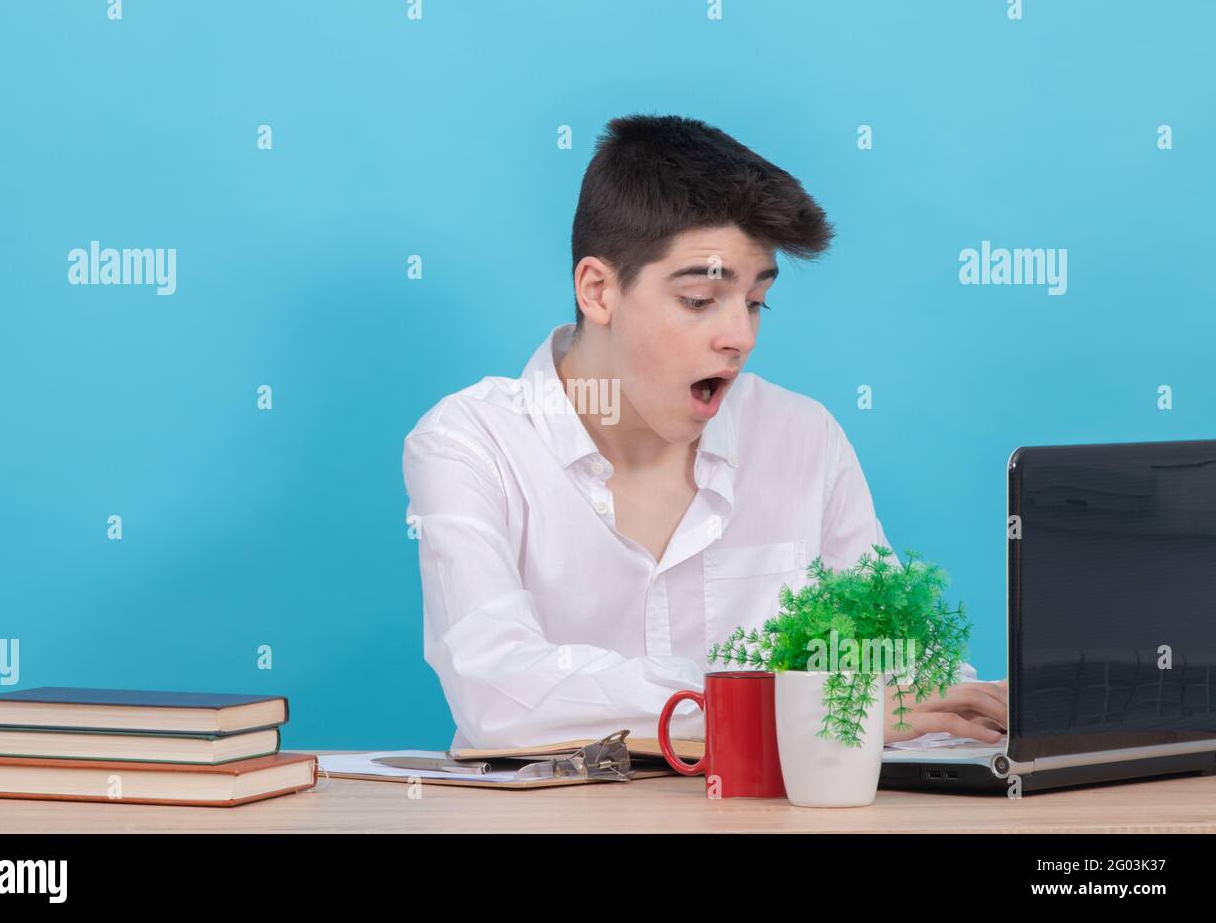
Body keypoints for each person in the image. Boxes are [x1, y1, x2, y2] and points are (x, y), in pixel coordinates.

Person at [403, 113, 1007, 753]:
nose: (740, 337)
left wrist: (964, 713)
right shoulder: (473, 442)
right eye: (698, 300)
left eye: (755, 302)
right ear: (598, 291)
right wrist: (804, 707)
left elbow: (900, 681)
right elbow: (499, 692)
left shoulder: (802, 437)